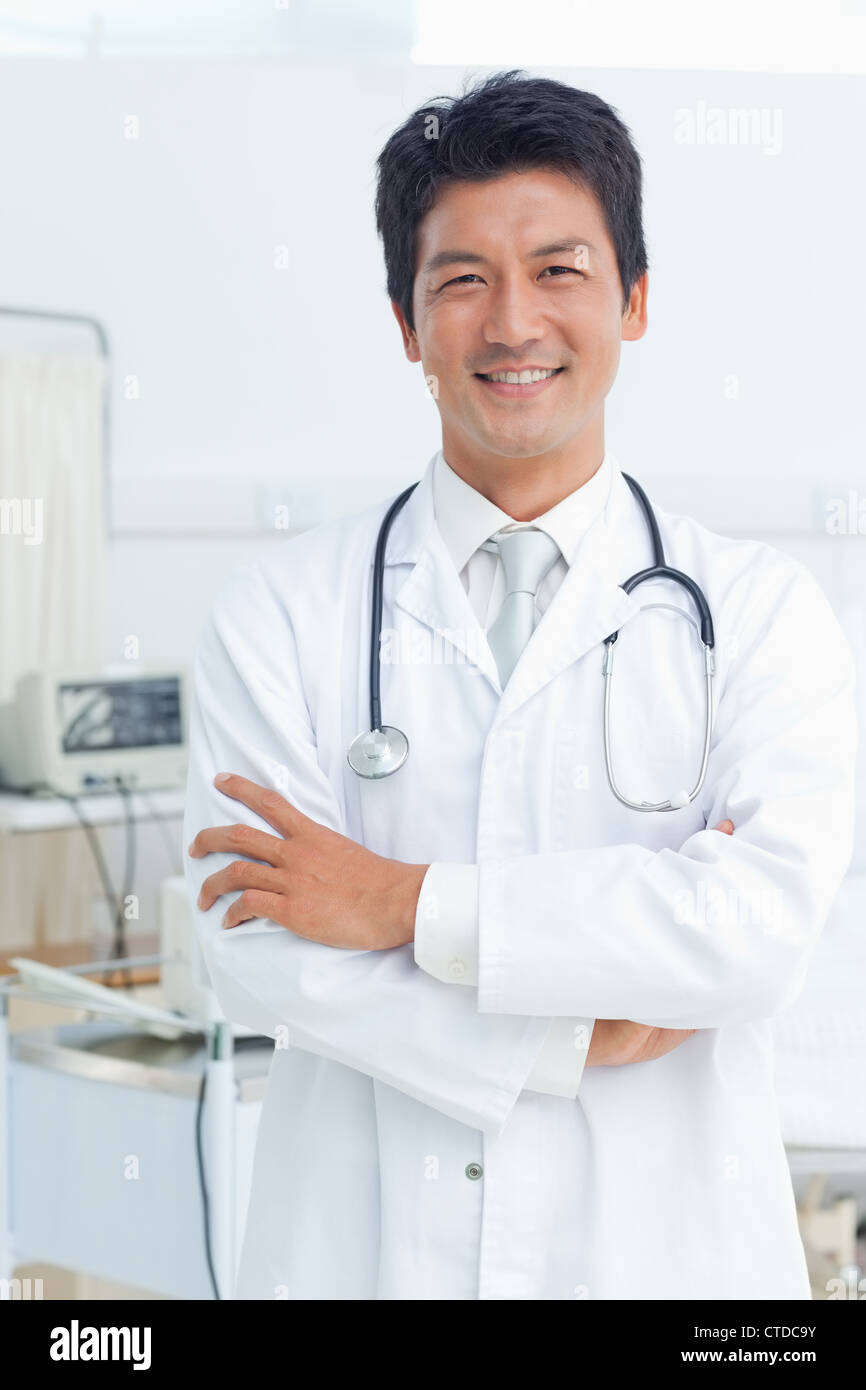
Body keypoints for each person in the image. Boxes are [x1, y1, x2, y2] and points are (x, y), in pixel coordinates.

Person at [183, 70, 857, 1300]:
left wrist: (398, 904)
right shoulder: (279, 615)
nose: (511, 324)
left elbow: (749, 940)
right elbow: (256, 947)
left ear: (633, 301)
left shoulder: (756, 615)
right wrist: (563, 1030)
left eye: (558, 271)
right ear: (404, 323)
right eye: (460, 281)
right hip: (361, 1262)